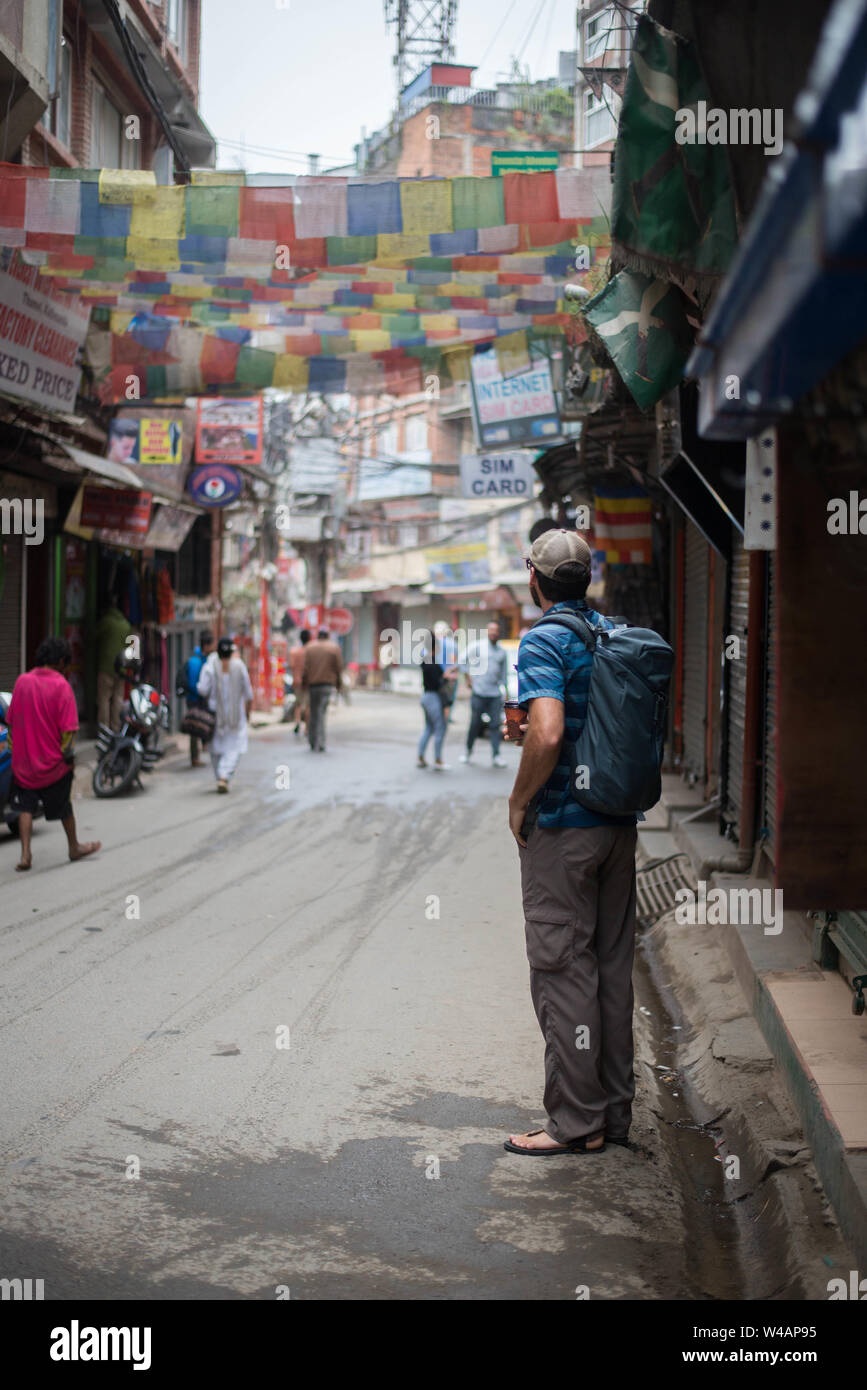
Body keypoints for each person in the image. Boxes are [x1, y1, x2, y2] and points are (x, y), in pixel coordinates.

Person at [502, 529, 638, 1157]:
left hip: (565, 827)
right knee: (610, 968)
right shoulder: (611, 634)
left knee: (563, 969)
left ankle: (575, 1124)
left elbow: (550, 731)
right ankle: (612, 1114)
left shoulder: (545, 639)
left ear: (535, 579)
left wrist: (520, 798)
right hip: (617, 823)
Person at [6, 636, 101, 873]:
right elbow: (68, 732)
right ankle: (74, 847)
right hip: (52, 766)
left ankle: (25, 854)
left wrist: (15, 752)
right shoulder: (61, 686)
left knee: (24, 808)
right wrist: (68, 759)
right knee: (64, 807)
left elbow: (11, 724)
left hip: (24, 764)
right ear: (60, 661)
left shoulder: (22, 682)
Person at [197, 637, 253, 793]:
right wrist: (248, 712)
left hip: (215, 715)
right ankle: (224, 776)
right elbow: (249, 693)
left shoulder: (210, 666)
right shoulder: (240, 666)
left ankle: (220, 776)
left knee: (216, 748)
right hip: (236, 716)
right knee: (235, 747)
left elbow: (202, 689)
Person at [460, 619, 509, 767]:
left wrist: (505, 691)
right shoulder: (477, 646)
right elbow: (463, 661)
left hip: (494, 695)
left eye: (496, 631)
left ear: (499, 633)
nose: (494, 633)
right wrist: (468, 680)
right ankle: (468, 751)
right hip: (479, 693)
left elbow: (504, 674)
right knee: (475, 724)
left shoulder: (502, 652)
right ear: (487, 632)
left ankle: (496, 756)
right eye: (491, 630)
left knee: (495, 725)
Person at [417, 631, 457, 770]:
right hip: (433, 697)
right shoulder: (432, 662)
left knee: (429, 728)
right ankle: (438, 760)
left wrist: (445, 676)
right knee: (440, 728)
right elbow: (438, 683)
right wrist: (447, 677)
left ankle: (421, 756)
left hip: (426, 697)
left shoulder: (426, 660)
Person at [95, 597, 134, 731]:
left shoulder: (106, 622)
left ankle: (104, 729)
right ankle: (116, 728)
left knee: (104, 699)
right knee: (117, 699)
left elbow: (93, 637)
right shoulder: (125, 624)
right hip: (121, 669)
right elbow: (130, 646)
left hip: (106, 667)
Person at [302, 627, 343, 753]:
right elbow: (338, 668)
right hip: (326, 686)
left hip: (313, 685)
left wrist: (304, 683)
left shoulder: (309, 648)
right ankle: (320, 742)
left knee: (314, 713)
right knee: (321, 714)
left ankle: (313, 740)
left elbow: (306, 668)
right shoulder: (334, 648)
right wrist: (339, 684)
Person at [183, 629, 215, 767]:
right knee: (194, 728)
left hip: (199, 698)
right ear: (206, 645)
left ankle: (199, 751)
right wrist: (202, 693)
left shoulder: (204, 659)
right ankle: (194, 758)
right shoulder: (196, 662)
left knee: (199, 725)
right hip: (194, 699)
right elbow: (193, 684)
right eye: (212, 644)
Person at [288, 629, 312, 736]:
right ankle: (307, 728)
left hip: (297, 680)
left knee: (297, 704)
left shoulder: (294, 652)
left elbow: (292, 666)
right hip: (308, 681)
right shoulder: (311, 652)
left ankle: (297, 722)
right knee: (307, 705)